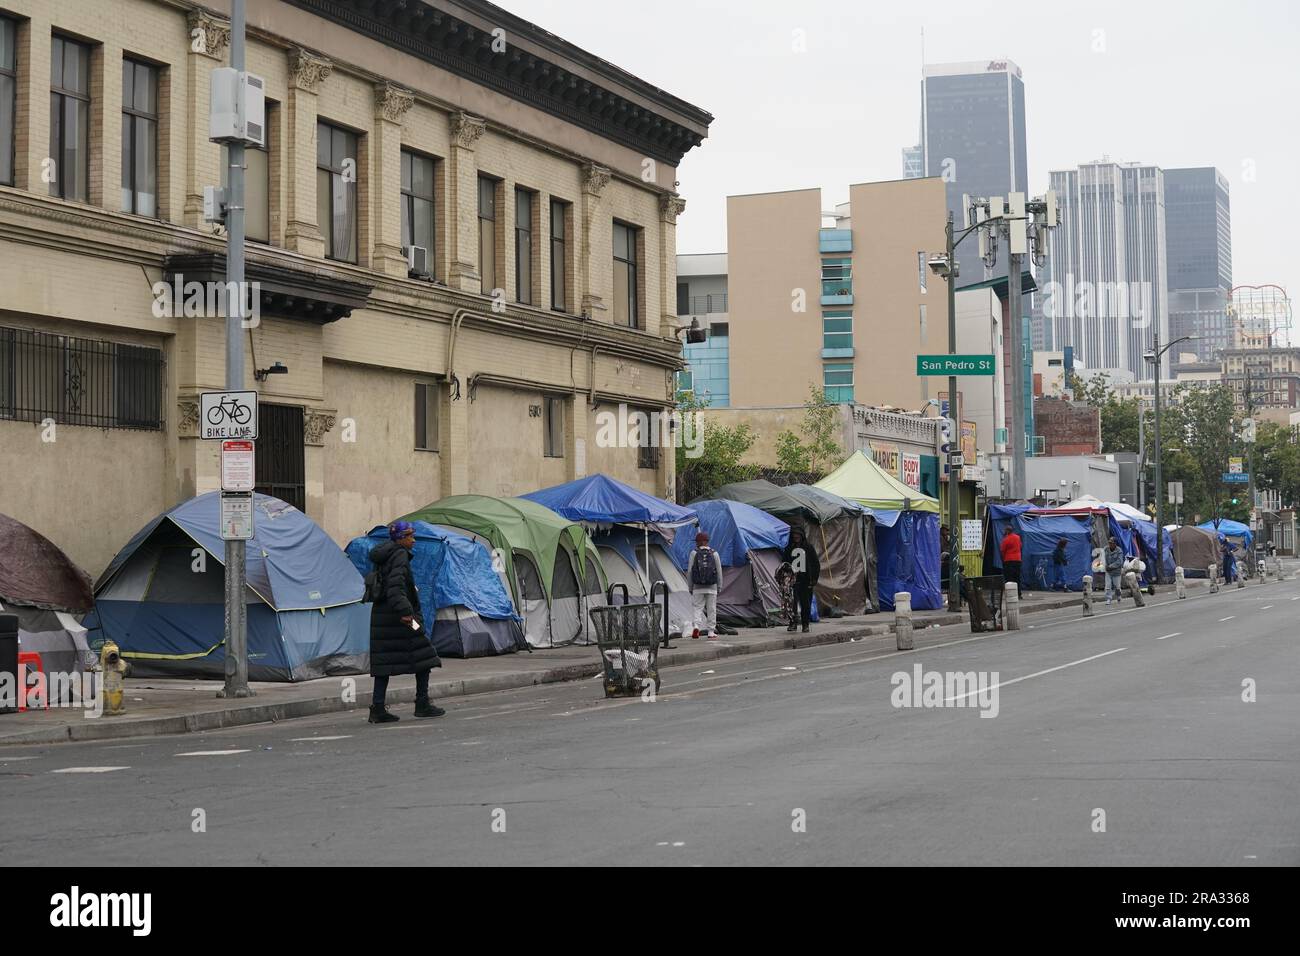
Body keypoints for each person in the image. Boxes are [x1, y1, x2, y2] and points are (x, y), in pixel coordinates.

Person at [366, 521, 443, 724]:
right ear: (401, 538)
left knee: (384, 662)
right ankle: (422, 703)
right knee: (426, 653)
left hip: (382, 617)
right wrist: (407, 612)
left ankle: (378, 707)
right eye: (410, 536)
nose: (413, 540)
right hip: (402, 618)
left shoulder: (385, 554)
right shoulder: (399, 554)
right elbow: (395, 587)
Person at [781, 527, 821, 633]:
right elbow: (784, 563)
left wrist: (813, 579)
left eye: (798, 534)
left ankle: (805, 624)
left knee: (805, 604)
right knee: (792, 604)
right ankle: (793, 623)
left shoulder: (808, 548)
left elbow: (815, 564)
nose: (796, 536)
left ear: (802, 535)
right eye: (794, 534)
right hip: (792, 581)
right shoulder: (789, 548)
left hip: (805, 581)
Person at [687, 530, 724, 640]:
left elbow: (689, 571)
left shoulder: (694, 553)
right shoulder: (714, 553)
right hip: (712, 587)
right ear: (707, 541)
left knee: (697, 607)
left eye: (696, 541)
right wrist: (719, 586)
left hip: (697, 586)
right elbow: (719, 571)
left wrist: (690, 586)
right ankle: (711, 632)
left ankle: (697, 626)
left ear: (699, 542)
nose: (696, 543)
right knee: (711, 608)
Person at [1000, 527, 1022, 595]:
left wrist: (1003, 559)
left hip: (1009, 560)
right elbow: (1020, 546)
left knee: (1009, 578)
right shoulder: (1018, 537)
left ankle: (1011, 593)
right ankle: (1019, 593)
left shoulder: (1006, 539)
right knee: (1017, 577)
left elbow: (1002, 550)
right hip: (1018, 560)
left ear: (1007, 531)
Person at [1103, 536, 1125, 605]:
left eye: (1112, 543)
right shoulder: (1106, 549)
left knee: (1117, 586)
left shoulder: (1119, 550)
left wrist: (1111, 566)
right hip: (1108, 571)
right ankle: (1108, 599)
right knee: (1108, 586)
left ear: (1115, 544)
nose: (1110, 544)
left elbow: (1119, 561)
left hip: (1116, 572)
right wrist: (1104, 565)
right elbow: (1102, 558)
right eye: (1109, 543)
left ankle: (1118, 596)